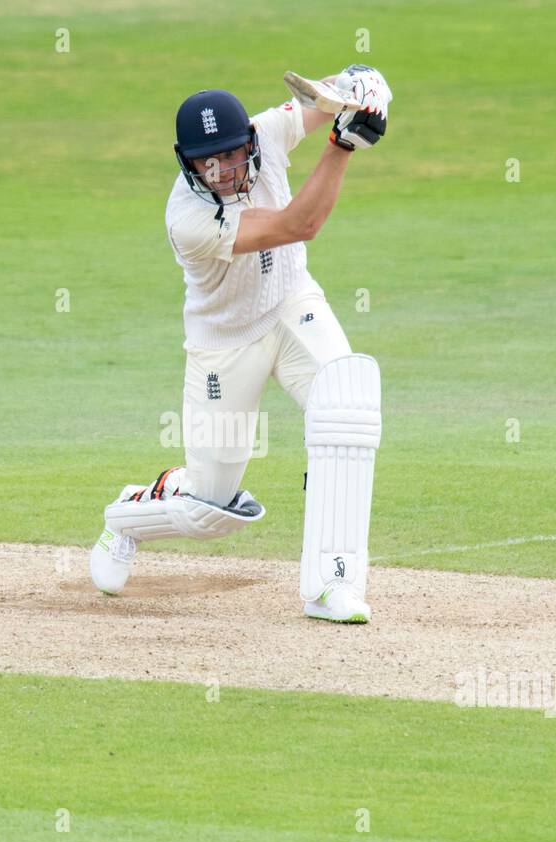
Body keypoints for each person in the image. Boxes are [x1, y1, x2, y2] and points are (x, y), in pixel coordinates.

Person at [90, 65, 391, 623]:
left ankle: (332, 584)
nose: (224, 170)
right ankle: (129, 514)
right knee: (212, 509)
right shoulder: (189, 220)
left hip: (291, 303)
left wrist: (364, 88)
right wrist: (344, 145)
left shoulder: (266, 132)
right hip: (226, 346)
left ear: (247, 141)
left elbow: (326, 99)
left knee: (346, 406)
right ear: (189, 164)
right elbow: (300, 224)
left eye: (231, 154)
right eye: (209, 161)